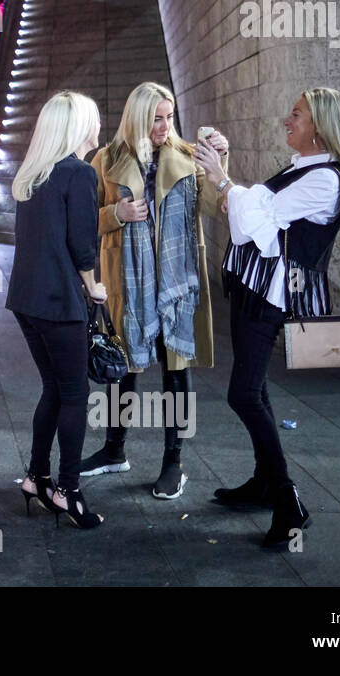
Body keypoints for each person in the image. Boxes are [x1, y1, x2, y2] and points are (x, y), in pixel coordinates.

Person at [194, 87, 340, 549]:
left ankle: (288, 502)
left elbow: (251, 222)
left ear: (321, 127)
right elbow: (249, 212)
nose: (287, 121)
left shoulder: (325, 179)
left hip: (269, 294)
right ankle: (265, 482)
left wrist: (225, 181)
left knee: (243, 395)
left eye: (297, 115)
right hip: (254, 285)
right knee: (255, 390)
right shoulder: (301, 168)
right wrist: (230, 186)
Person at [81, 82, 230, 499]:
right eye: (156, 118)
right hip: (128, 283)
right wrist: (117, 213)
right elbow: (83, 219)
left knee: (175, 370)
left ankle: (174, 461)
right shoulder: (105, 160)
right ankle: (114, 451)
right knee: (122, 368)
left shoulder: (186, 156)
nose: (164, 126)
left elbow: (213, 202)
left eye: (169, 117)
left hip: (175, 285)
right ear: (137, 118)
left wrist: (220, 159)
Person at [7, 90, 107, 530]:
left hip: (26, 300)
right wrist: (95, 288)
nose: (98, 125)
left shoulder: (33, 174)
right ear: (81, 125)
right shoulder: (79, 173)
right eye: (94, 118)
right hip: (60, 301)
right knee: (73, 394)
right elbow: (82, 245)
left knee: (53, 388)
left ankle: (37, 478)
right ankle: (68, 491)